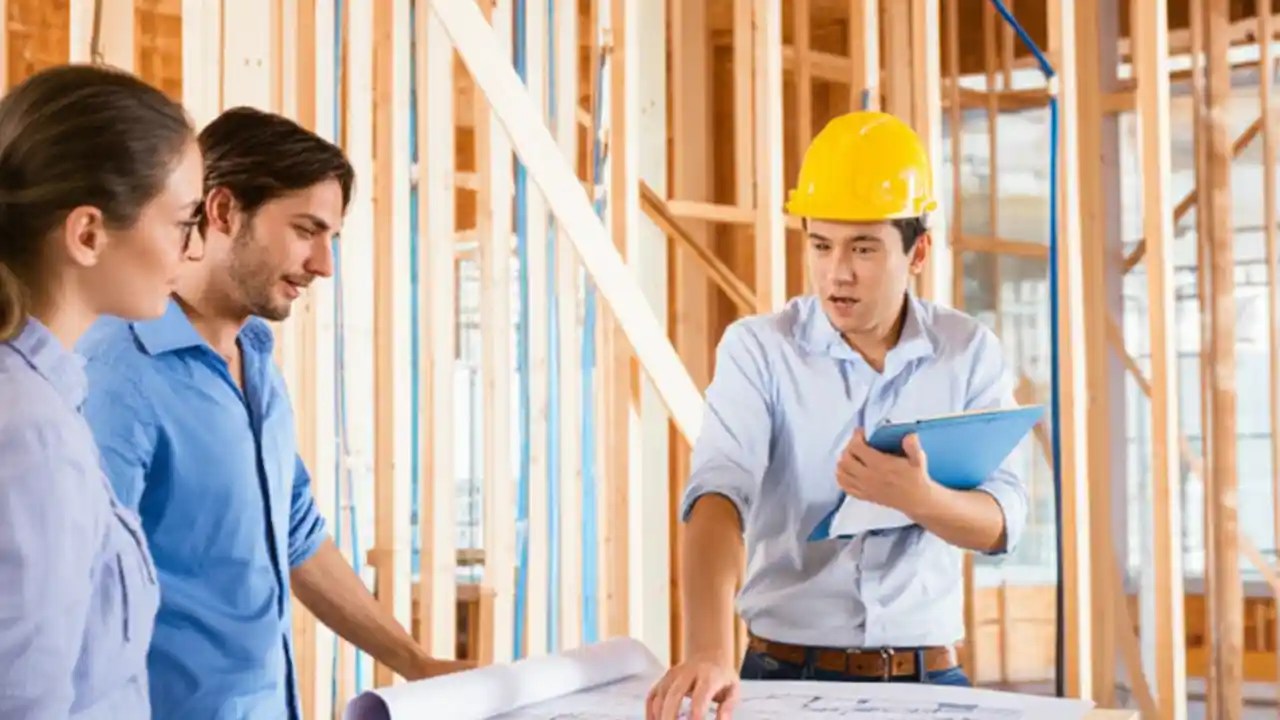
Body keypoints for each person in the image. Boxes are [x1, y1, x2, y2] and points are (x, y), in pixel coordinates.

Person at [78, 106, 470, 720]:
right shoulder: (117, 373)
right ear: (223, 211)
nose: (323, 265)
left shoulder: (256, 361)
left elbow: (296, 536)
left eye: (330, 238)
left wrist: (417, 664)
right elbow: (79, 598)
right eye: (306, 230)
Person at [645, 111, 1029, 720]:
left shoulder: (967, 351)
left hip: (930, 677)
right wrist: (709, 650)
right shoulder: (760, 350)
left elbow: (1002, 522)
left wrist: (919, 498)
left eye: (864, 249)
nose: (837, 272)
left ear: (918, 251)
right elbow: (718, 494)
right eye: (821, 245)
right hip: (782, 673)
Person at [0, 64, 203, 718]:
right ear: (87, 234)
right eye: (184, 222)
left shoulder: (44, 399)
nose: (193, 250)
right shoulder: (31, 433)